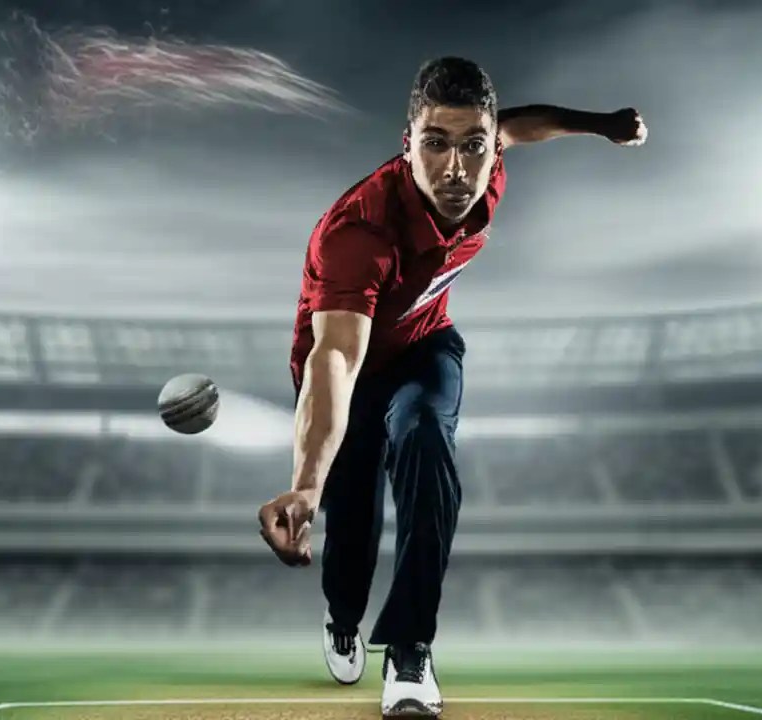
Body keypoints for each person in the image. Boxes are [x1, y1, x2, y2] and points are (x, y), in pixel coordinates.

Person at [258, 56, 646, 718]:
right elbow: (338, 360)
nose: (457, 169)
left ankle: (410, 649)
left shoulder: (489, 165)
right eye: (436, 144)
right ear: (407, 142)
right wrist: (305, 483)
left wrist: (601, 125)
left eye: (473, 145)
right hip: (349, 375)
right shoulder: (360, 232)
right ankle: (344, 615)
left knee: (428, 436)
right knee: (350, 526)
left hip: (425, 350)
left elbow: (527, 125)